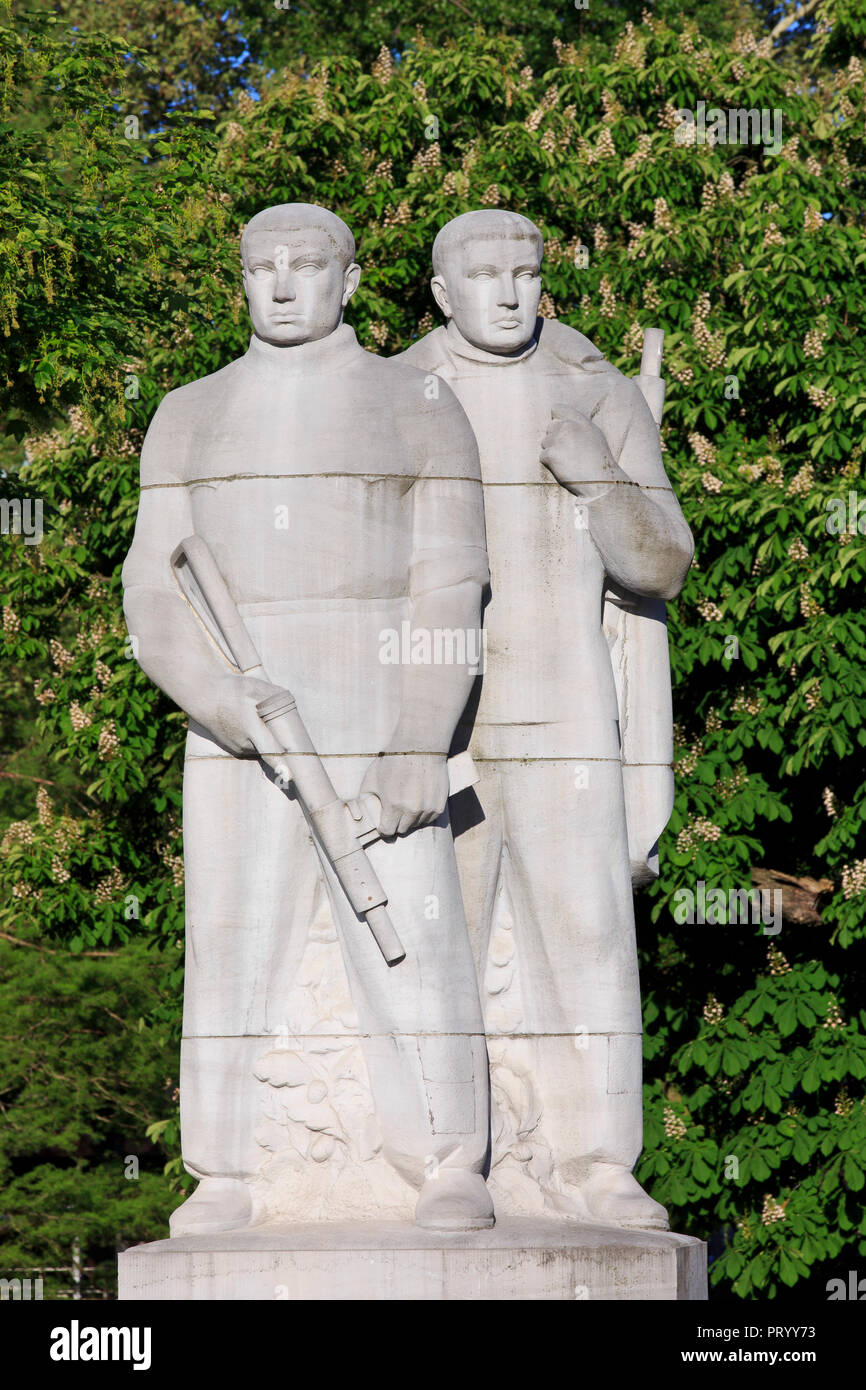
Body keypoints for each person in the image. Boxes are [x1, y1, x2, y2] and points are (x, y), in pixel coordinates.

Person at [122, 204, 493, 1234]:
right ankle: (230, 1166)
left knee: (410, 929)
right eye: (261, 266)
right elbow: (152, 591)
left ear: (350, 276)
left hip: (381, 700)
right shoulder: (188, 412)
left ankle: (444, 1156)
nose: (282, 283)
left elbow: (449, 580)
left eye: (306, 264)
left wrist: (420, 739)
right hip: (242, 719)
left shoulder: (415, 398)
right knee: (234, 937)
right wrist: (222, 698)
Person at [399, 209, 693, 1227]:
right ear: (441, 293)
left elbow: (660, 560)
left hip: (568, 704)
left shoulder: (593, 390)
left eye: (526, 271)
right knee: (440, 937)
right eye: (485, 275)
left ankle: (597, 1162)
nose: (510, 291)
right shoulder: (395, 394)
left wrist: (597, 475)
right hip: (440, 711)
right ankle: (443, 1158)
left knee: (588, 938)